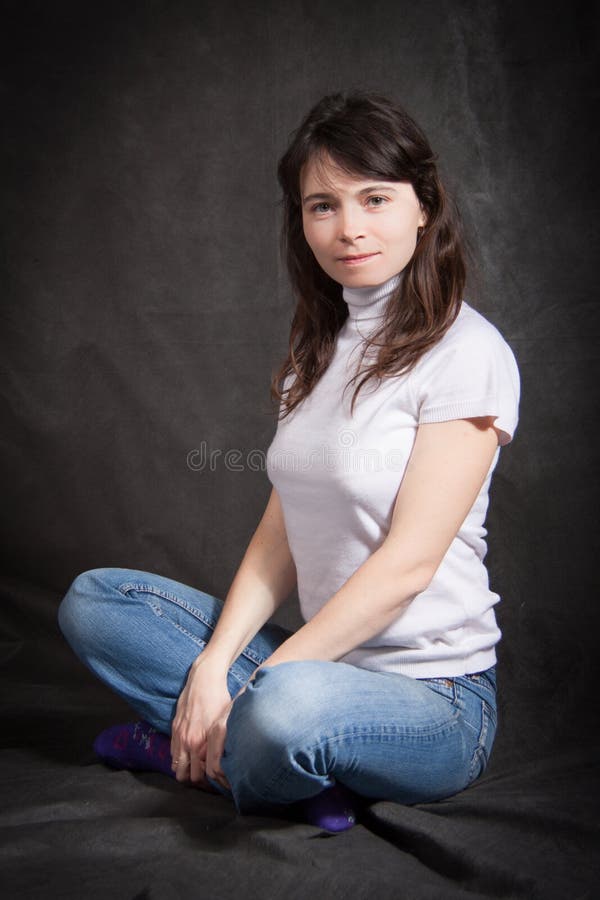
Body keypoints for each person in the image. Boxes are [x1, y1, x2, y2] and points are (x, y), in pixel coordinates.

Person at [58, 91, 520, 832]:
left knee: (280, 708)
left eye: (375, 198)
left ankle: (215, 752)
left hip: (436, 700)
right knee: (95, 602)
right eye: (322, 206)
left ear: (424, 205)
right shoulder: (320, 350)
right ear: (301, 221)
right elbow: (282, 531)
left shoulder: (468, 356)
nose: (350, 228)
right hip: (323, 664)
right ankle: (278, 766)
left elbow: (408, 564)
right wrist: (215, 667)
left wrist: (261, 681)